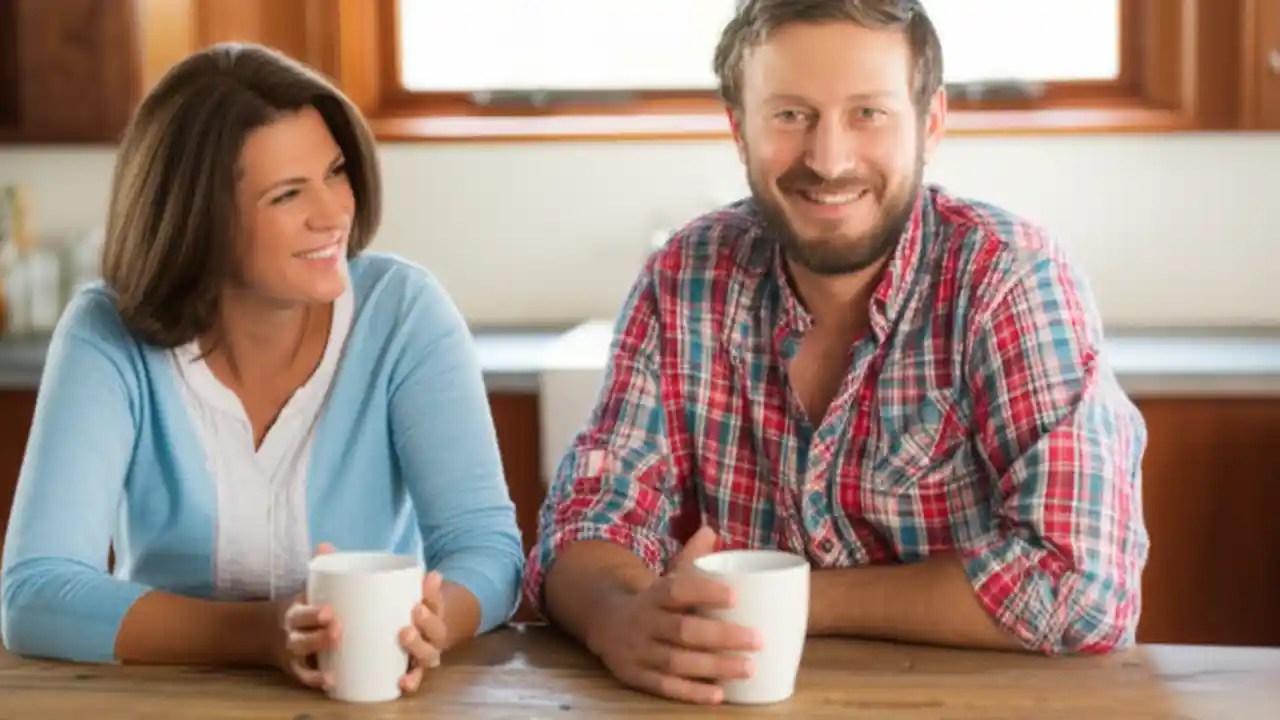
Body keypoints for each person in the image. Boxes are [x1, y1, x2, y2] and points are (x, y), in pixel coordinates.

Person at [525, 0, 1149, 705]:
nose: (828, 160)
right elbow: (588, 519)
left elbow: (1082, 584)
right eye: (790, 115)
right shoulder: (684, 276)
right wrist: (619, 619)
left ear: (931, 124)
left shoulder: (1010, 276)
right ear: (739, 129)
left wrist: (781, 598)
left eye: (868, 114)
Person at [0, 43, 524, 694]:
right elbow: (35, 595)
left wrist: (427, 624)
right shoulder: (107, 333)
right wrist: (261, 634)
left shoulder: (404, 314)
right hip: (164, 702)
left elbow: (490, 553)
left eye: (336, 172)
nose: (333, 213)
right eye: (287, 194)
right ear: (198, 219)